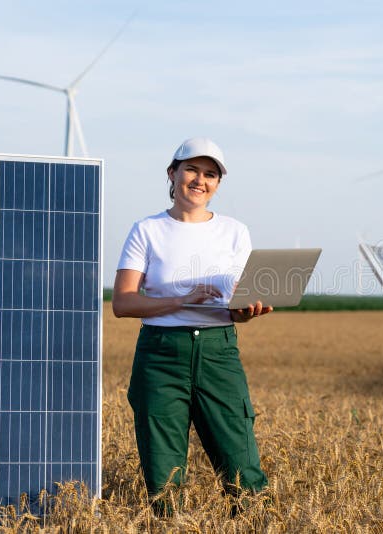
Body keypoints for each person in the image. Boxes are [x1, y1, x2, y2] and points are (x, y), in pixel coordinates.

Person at [112, 138, 272, 515]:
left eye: (211, 174)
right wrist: (182, 300)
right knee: (163, 470)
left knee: (240, 458)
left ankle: (253, 521)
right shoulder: (146, 230)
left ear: (218, 183)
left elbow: (237, 305)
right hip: (161, 352)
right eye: (192, 170)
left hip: (219, 352)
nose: (201, 180)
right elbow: (123, 302)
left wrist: (245, 312)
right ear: (173, 173)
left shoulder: (235, 232)